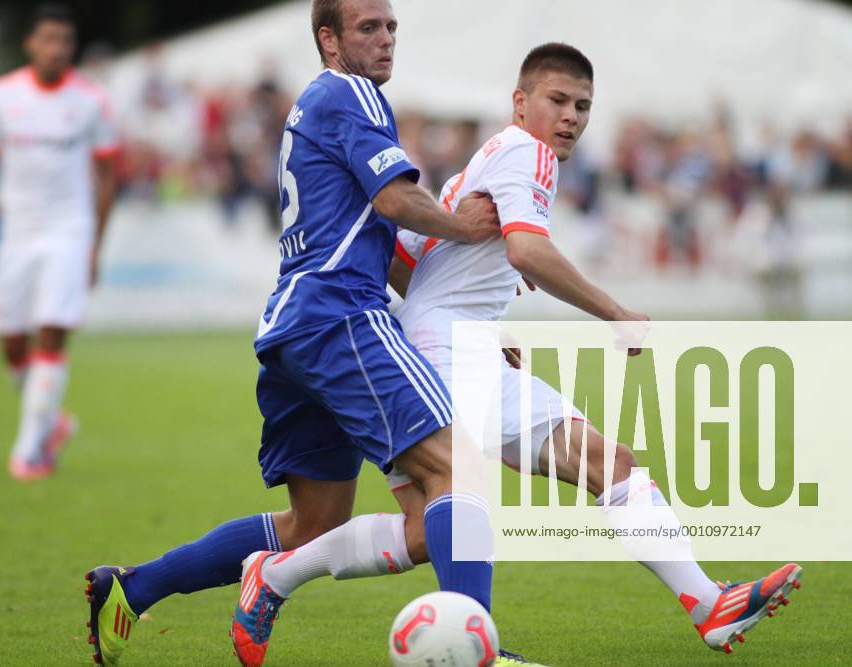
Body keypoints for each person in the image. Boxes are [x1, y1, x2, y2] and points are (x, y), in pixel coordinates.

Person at [241, 42, 802, 659]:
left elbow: (405, 262)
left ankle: (706, 603)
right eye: (557, 100)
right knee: (452, 505)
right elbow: (527, 252)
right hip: (443, 352)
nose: (571, 117)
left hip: (457, 344)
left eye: (583, 107)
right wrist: (615, 314)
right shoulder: (528, 153)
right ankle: (303, 585)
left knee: (596, 465)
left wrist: (476, 310)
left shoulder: (485, 162)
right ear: (520, 102)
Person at [82, 1, 506, 665]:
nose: (387, 39)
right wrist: (470, 227)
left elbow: (383, 241)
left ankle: (134, 587)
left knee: (313, 523)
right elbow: (396, 201)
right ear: (328, 40)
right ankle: (483, 647)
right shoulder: (351, 92)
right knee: (457, 468)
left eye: (391, 26)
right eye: (369, 28)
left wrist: (456, 316)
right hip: (340, 315)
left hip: (294, 326)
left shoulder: (314, 104)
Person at [0, 4, 119, 480]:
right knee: (10, 342)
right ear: (31, 44)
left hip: (69, 229)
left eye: (65, 41)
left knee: (52, 330)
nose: (57, 49)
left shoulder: (90, 100)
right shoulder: (2, 95)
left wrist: (94, 246)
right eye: (48, 40)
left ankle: (29, 449)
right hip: (17, 231)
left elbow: (108, 176)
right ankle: (53, 421)